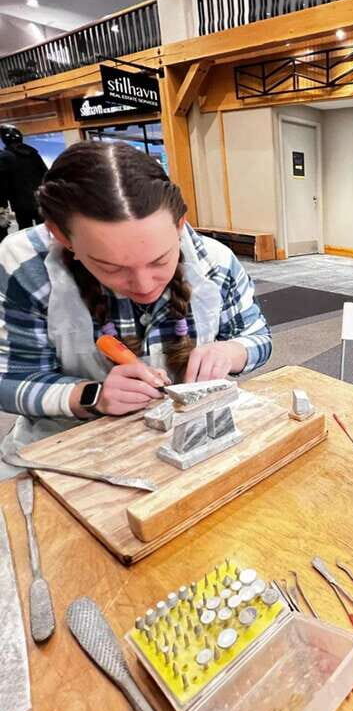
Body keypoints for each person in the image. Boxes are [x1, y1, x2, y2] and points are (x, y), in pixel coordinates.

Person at [0, 141, 272, 478]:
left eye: (160, 260)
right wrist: (89, 395)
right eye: (111, 267)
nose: (144, 285)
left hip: (186, 440)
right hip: (66, 452)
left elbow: (257, 337)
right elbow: (9, 381)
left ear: (179, 224)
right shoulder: (26, 264)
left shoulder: (214, 260)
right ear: (62, 236)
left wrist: (231, 352)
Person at [0, 124, 48, 230]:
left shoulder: (5, 157)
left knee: (25, 230)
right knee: (44, 230)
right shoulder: (33, 153)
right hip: (39, 198)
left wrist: (3, 205)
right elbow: (46, 174)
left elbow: (4, 184)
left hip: (20, 203)